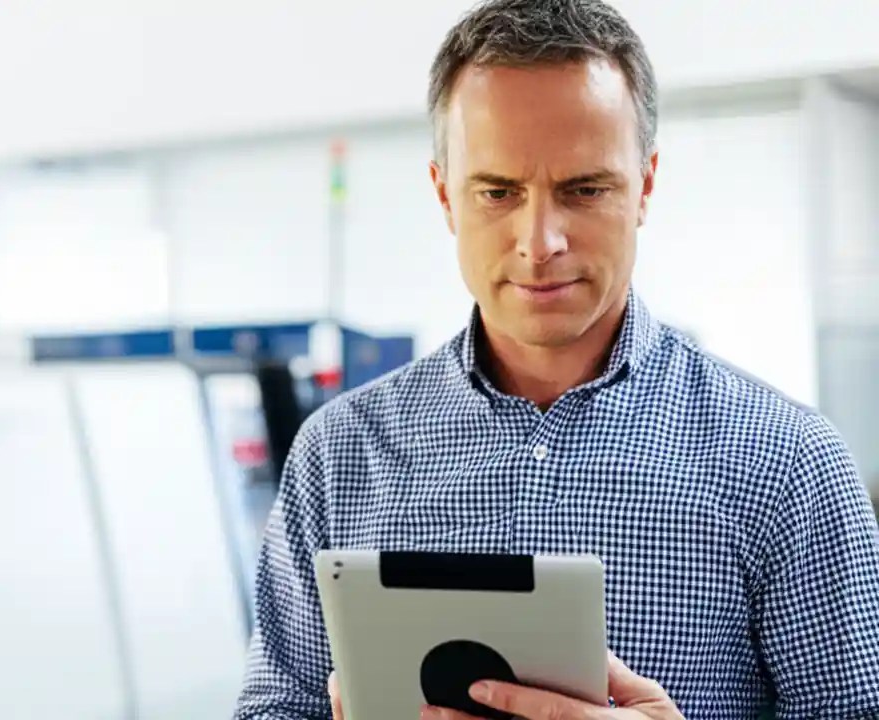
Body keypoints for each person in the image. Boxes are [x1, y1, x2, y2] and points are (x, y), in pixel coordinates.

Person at [232, 0, 879, 717]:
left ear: (645, 187)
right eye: (498, 192)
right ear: (446, 195)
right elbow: (275, 705)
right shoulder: (340, 453)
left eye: (584, 189)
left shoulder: (788, 464)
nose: (539, 241)